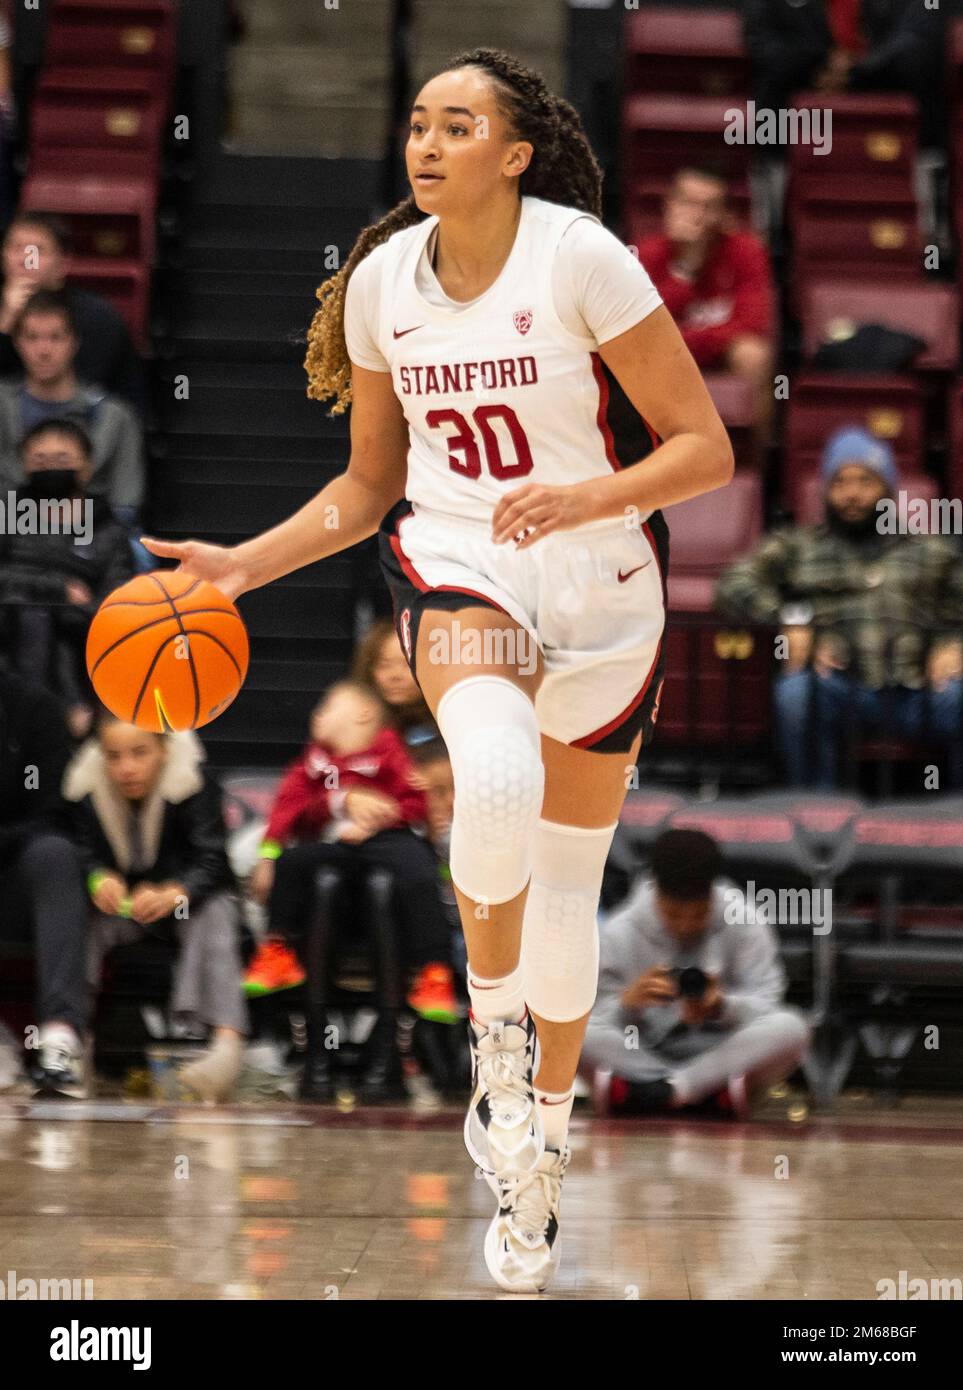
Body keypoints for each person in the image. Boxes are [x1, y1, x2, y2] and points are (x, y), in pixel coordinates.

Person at [142, 47, 733, 1292]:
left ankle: (540, 1165)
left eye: (457, 125)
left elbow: (704, 449)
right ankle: (494, 1039)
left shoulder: (581, 257)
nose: (425, 141)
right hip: (463, 559)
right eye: (417, 122)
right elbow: (369, 487)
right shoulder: (379, 286)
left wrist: (587, 495)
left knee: (569, 895)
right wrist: (242, 566)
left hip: (604, 587)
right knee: (497, 784)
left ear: (515, 155)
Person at [243, 678, 460, 1101]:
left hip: (386, 841)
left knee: (417, 866)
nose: (316, 716)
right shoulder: (313, 763)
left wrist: (389, 815)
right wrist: (269, 854)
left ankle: (434, 970)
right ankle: (278, 947)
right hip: (336, 849)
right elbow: (287, 810)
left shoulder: (389, 751)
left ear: (362, 716)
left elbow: (416, 804)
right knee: (294, 862)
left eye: (326, 708)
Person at [716, 427, 963, 789]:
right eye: (840, 482)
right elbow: (733, 584)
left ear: (887, 488)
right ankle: (816, 811)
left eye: (865, 481)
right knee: (795, 692)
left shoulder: (929, 550)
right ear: (826, 490)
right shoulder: (799, 545)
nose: (852, 493)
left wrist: (955, 645)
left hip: (920, 694)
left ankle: (958, 820)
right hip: (840, 690)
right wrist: (793, 618)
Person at [64, 717, 248, 1104]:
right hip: (124, 908)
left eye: (139, 753)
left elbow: (214, 862)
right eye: (113, 757)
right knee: (79, 922)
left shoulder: (193, 783)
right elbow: (76, 852)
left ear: (163, 750)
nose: (126, 768)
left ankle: (225, 1046)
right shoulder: (84, 791)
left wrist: (175, 891)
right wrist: (97, 878)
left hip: (186, 903)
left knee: (216, 913)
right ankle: (73, 1041)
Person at [583, 829, 810, 1117]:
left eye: (698, 915)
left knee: (792, 1028)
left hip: (718, 1050)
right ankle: (703, 1095)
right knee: (571, 1033)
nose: (686, 926)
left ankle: (661, 1092)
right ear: (656, 895)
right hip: (642, 1049)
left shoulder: (744, 921)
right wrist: (628, 1004)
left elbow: (768, 1004)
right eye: (674, 915)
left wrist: (722, 1007)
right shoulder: (620, 930)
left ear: (712, 895)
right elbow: (594, 1017)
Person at [0, 418, 134, 738]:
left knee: (44, 616)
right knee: (32, 613)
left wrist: (61, 607)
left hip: (80, 655)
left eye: (62, 460)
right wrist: (57, 589)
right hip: (9, 646)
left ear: (86, 467)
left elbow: (117, 608)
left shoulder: (108, 529)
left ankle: (68, 709)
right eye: (40, 460)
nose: (51, 468)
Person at [0, 663, 91, 1097]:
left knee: (56, 854)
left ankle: (59, 1036)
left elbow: (50, 814)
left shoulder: (34, 708)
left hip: (19, 870)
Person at [637, 164, 775, 442]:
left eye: (708, 207)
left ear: (724, 216)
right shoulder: (646, 253)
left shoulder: (747, 252)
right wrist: (685, 270)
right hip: (667, 357)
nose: (697, 216)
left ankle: (758, 467)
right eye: (689, 204)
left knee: (755, 356)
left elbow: (753, 323)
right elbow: (642, 331)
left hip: (715, 352)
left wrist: (685, 340)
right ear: (670, 206)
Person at [0, 289, 145, 524]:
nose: (44, 350)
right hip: (10, 538)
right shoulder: (3, 406)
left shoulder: (114, 416)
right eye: (32, 337)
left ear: (74, 342)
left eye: (56, 337)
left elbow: (126, 506)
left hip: (91, 540)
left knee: (139, 552)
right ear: (17, 343)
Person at [742, 0, 946, 151]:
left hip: (882, 86)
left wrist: (857, 68)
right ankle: (775, 192)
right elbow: (762, 42)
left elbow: (920, 37)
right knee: (771, 87)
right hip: (804, 86)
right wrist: (822, 62)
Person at [0, 212, 144, 411]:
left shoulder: (97, 316)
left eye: (37, 250)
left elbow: (90, 389)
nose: (25, 260)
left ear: (63, 263)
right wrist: (5, 324)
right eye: (16, 248)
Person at [351, 617, 439, 749]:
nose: (395, 675)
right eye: (384, 665)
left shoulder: (450, 726)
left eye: (408, 665)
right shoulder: (357, 728)